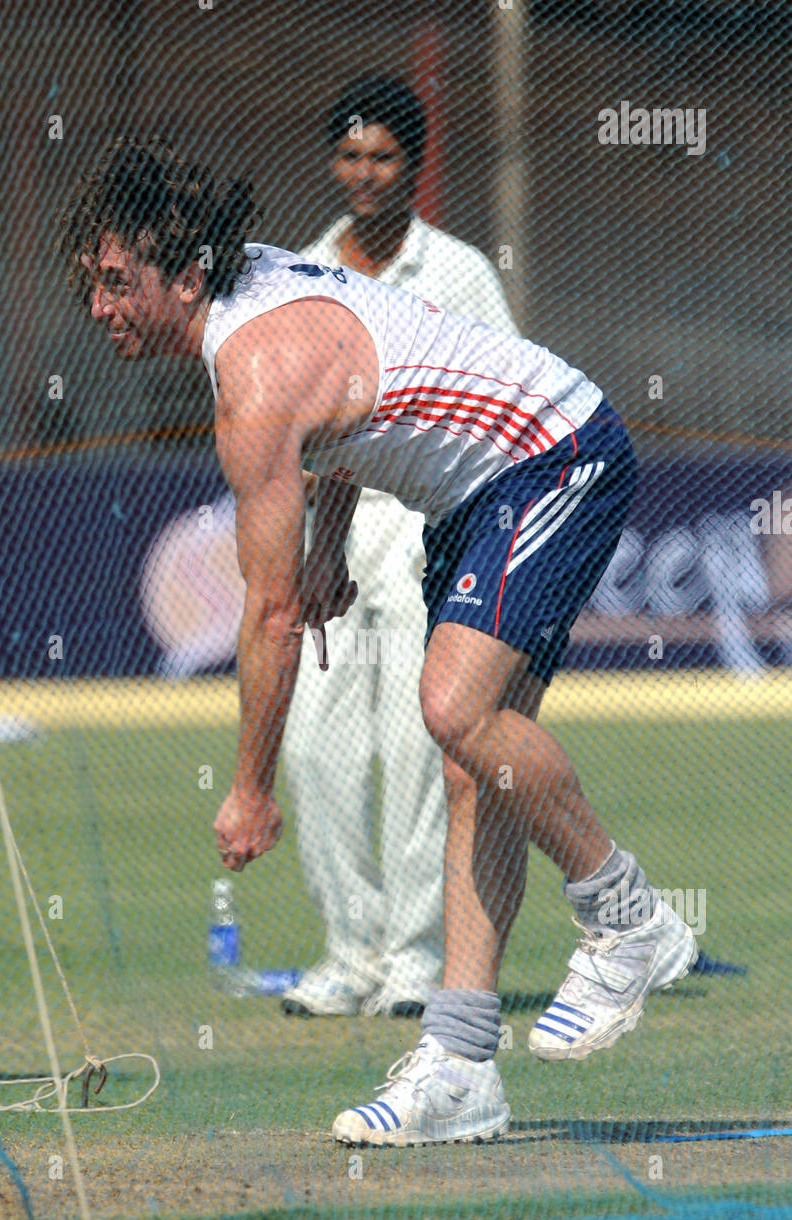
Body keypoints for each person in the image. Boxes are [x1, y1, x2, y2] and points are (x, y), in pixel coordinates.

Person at [59, 137, 698, 1147]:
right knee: (471, 763)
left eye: (111, 283)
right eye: (87, 284)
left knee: (453, 709)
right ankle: (459, 1064)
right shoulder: (255, 281)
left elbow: (268, 615)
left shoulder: (249, 377)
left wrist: (249, 786)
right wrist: (329, 544)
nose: (95, 308)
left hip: (551, 455)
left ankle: (626, 917)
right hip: (471, 490)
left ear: (183, 277)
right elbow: (364, 383)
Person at [282, 75, 519, 1020]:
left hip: (426, 523)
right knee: (314, 748)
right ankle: (349, 949)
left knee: (416, 748)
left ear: (414, 165)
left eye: (383, 156)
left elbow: (502, 394)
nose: (365, 174)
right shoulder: (303, 270)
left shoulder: (457, 271)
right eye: (349, 156)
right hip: (330, 529)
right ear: (330, 163)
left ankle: (416, 958)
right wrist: (307, 551)